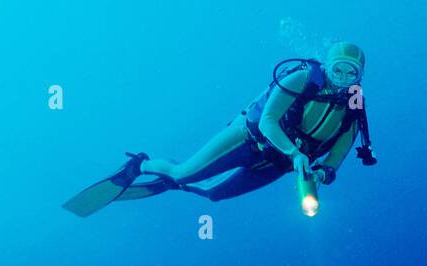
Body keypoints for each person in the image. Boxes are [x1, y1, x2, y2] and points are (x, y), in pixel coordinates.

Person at [63, 42, 373, 216]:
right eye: (338, 69)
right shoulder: (302, 79)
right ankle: (141, 165)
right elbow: (267, 120)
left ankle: (169, 184)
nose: (343, 77)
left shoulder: (354, 112)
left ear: (360, 76)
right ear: (328, 65)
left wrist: (323, 173)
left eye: (352, 73)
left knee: (214, 195)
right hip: (248, 139)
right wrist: (295, 153)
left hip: (275, 165)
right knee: (185, 171)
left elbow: (339, 155)